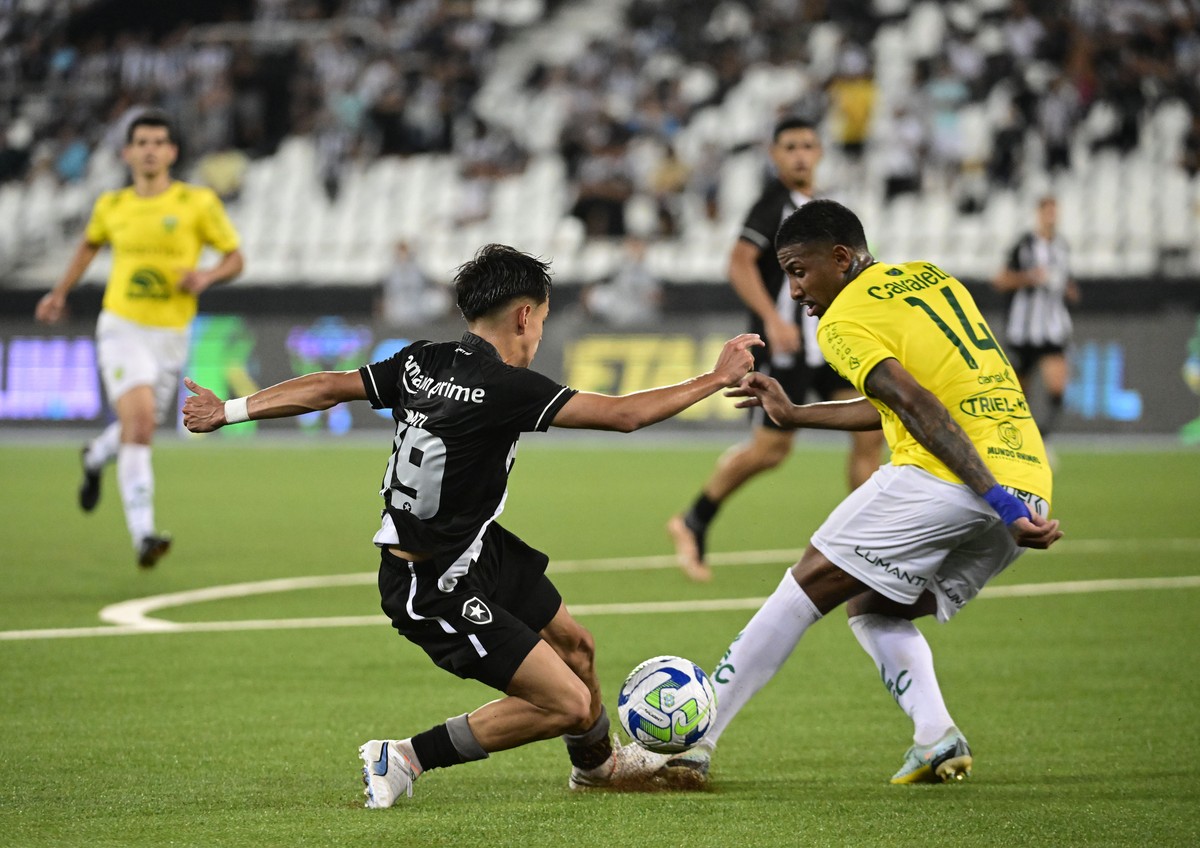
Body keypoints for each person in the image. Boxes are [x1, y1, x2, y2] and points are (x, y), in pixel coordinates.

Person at [181, 244, 761, 807]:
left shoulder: (421, 361)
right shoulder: (508, 388)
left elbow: (329, 385)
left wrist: (228, 411)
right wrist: (714, 378)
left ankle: (597, 769)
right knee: (569, 704)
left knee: (577, 647)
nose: (537, 337)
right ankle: (405, 757)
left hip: (475, 547)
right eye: (542, 321)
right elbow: (624, 415)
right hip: (429, 584)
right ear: (526, 315)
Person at [660, 200, 1062, 786]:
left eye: (798, 270)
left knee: (804, 586)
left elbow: (919, 407)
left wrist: (996, 501)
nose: (793, 290)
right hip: (1030, 482)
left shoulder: (843, 321)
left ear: (842, 258)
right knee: (872, 606)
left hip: (956, 480)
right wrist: (795, 414)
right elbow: (899, 403)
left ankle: (691, 745)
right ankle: (935, 736)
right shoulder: (932, 279)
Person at [667, 117, 884, 582]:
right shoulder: (771, 208)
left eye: (808, 145)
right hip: (783, 346)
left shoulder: (822, 212)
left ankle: (865, 542)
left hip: (825, 343)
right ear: (775, 155)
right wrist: (771, 318)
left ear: (820, 151)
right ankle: (693, 519)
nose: (800, 154)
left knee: (872, 427)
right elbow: (738, 263)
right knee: (770, 450)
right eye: (790, 147)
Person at [34, 109, 243, 567]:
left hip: (171, 334)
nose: (149, 149)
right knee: (143, 423)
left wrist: (206, 277)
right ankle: (144, 533)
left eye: (158, 142)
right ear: (127, 152)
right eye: (141, 142)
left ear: (171, 151)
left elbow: (235, 258)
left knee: (137, 426)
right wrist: (59, 292)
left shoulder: (197, 203)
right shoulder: (112, 205)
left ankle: (94, 457)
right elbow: (89, 244)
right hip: (122, 326)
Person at [991, 195, 1079, 439]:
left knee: (1058, 386)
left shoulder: (1062, 246)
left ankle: (1043, 438)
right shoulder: (1024, 245)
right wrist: (1029, 277)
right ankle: (1023, 437)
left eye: (1055, 212)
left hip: (1053, 329)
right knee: (1019, 392)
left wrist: (1069, 290)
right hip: (1024, 330)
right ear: (1039, 214)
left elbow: (1068, 282)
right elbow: (1000, 280)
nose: (1052, 217)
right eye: (1048, 212)